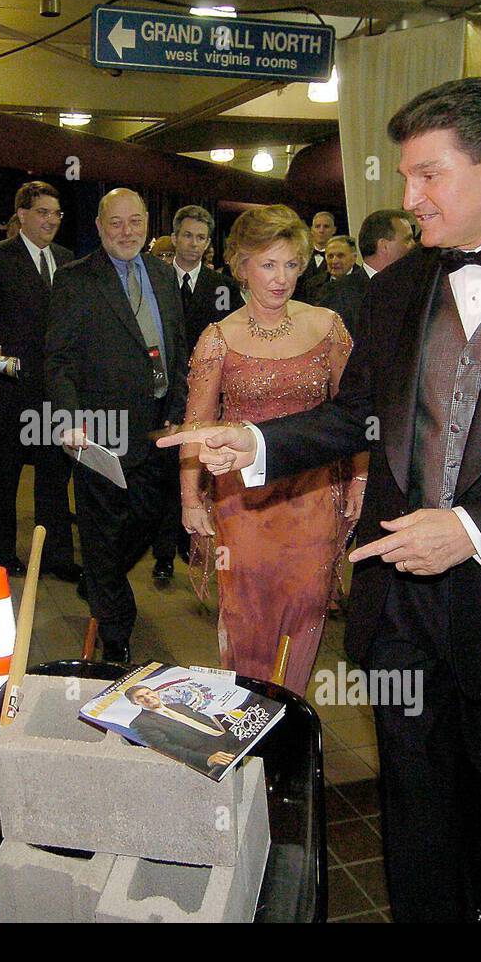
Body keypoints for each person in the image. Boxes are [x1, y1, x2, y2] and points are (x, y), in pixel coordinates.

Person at [160, 77, 481, 922]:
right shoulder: (398, 287)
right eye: (405, 177)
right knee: (412, 809)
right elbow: (358, 411)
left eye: (429, 175)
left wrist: (476, 530)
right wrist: (255, 443)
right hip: (397, 609)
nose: (409, 198)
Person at [180, 205, 364, 690]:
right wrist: (189, 498)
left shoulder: (328, 326)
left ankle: (286, 715)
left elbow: (356, 415)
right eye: (268, 264)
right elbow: (196, 425)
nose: (281, 278)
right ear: (241, 266)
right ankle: (247, 719)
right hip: (242, 501)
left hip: (314, 494)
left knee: (305, 607)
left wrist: (361, 477)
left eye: (291, 264)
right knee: (246, 610)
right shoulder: (218, 338)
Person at [46, 187, 188, 664]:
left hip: (158, 429)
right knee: (102, 532)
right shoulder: (76, 280)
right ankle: (117, 632)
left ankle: (100, 577)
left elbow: (178, 347)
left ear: (148, 223)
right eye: (116, 223)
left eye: (136, 222)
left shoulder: (164, 275)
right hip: (100, 433)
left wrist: (179, 402)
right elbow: (59, 359)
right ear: (99, 226)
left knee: (150, 521)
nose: (127, 232)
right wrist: (67, 419)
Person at [0, 181, 80, 583]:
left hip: (53, 395)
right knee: (0, 478)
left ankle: (56, 557)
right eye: (43, 212)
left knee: (53, 480)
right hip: (5, 394)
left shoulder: (67, 261)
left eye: (56, 213)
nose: (51, 220)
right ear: (23, 215)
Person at [152, 205, 239, 582]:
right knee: (166, 473)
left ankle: (192, 545)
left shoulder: (222, 286)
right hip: (166, 387)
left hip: (210, 390)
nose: (193, 244)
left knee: (200, 468)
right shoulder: (157, 280)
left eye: (201, 238)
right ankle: (161, 552)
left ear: (208, 244)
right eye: (187, 235)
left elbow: (233, 336)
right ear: (175, 236)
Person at [318, 209, 416, 336]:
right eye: (408, 240)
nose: (413, 245)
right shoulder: (339, 294)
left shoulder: (413, 288)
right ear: (384, 246)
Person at [123, 684, 242, 772]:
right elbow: (167, 750)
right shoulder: (140, 723)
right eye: (140, 697)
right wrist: (207, 760)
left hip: (229, 738)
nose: (148, 698)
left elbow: (208, 722)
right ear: (134, 703)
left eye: (148, 693)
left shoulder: (178, 706)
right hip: (210, 753)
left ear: (155, 692)